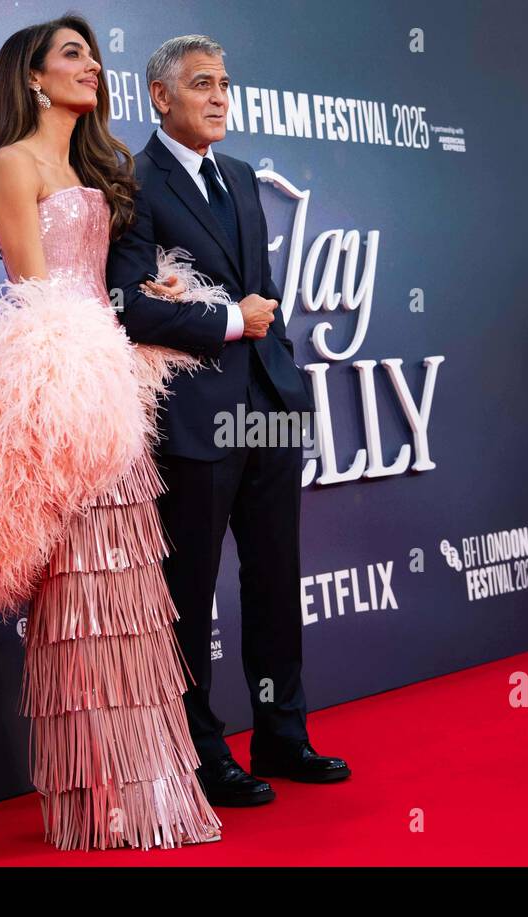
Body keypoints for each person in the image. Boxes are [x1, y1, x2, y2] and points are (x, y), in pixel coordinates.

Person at [0, 17, 221, 850]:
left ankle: (150, 789)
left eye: (92, 53)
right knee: (81, 597)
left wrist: (156, 301)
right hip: (67, 399)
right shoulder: (14, 165)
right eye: (72, 55)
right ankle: (100, 802)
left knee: (128, 596)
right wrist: (84, 374)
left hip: (114, 393)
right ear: (36, 79)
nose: (92, 66)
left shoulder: (96, 167)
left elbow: (110, 287)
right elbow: (35, 300)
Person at [106, 35, 350, 807]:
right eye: (202, 84)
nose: (219, 97)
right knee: (191, 589)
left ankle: (282, 732)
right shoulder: (133, 184)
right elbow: (125, 304)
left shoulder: (241, 178)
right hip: (195, 418)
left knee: (275, 581)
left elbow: (265, 298)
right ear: (160, 98)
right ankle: (201, 751)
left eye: (225, 84)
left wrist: (281, 371)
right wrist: (227, 321)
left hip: (270, 411)